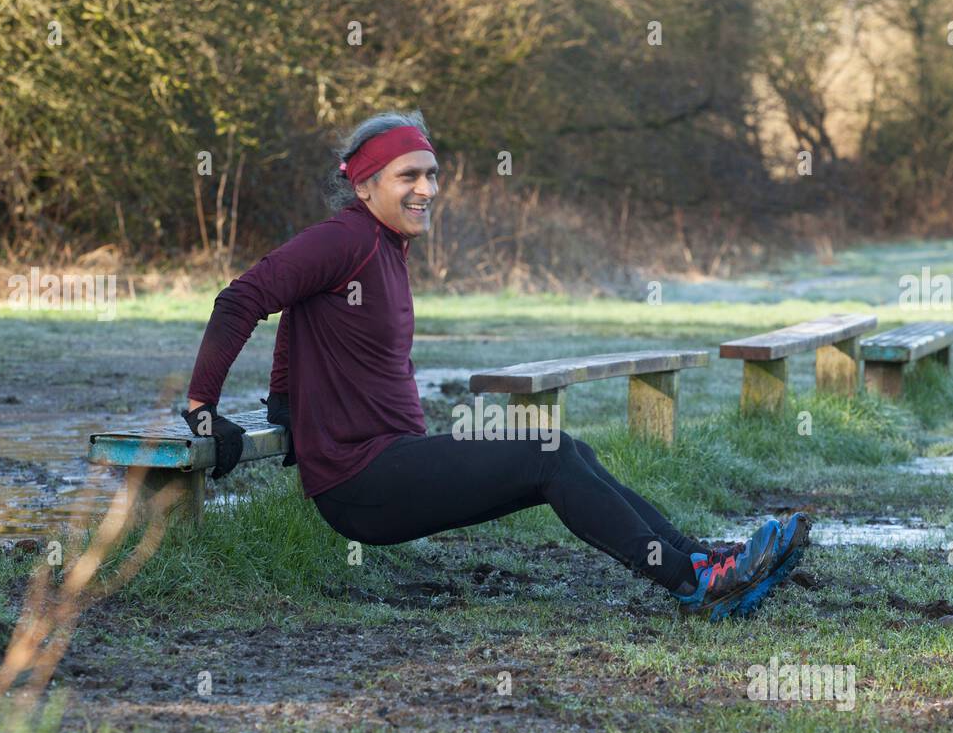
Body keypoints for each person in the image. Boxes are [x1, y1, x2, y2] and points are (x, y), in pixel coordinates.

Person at [182, 110, 809, 620]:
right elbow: (244, 298)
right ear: (365, 184)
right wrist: (202, 411)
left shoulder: (384, 246)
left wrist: (285, 399)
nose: (426, 189)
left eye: (431, 174)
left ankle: (702, 561)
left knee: (569, 449)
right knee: (548, 454)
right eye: (408, 176)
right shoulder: (342, 239)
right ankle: (694, 583)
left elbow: (296, 312)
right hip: (362, 483)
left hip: (389, 462)